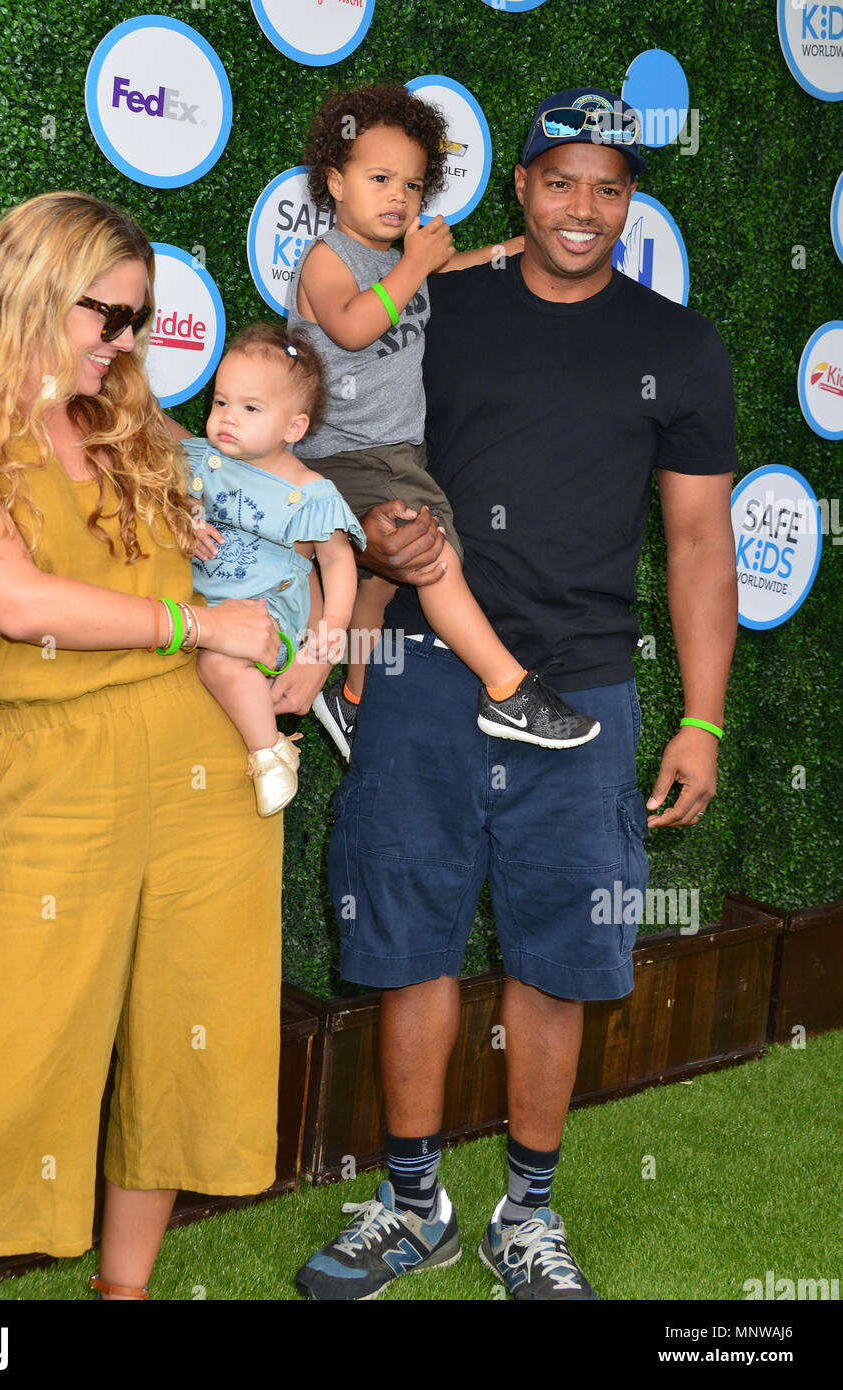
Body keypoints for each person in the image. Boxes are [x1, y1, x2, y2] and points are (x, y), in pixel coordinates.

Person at [294, 88, 739, 1301]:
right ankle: (410, 1203)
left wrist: (700, 718)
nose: (581, 207)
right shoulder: (441, 308)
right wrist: (368, 553)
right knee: (406, 943)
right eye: (559, 181)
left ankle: (525, 1216)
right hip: (423, 680)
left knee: (561, 961)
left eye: (607, 186)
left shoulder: (680, 346)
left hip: (584, 694)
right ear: (521, 189)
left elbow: (700, 545)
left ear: (629, 199)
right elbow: (340, 442)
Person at [0, 190, 288, 1300]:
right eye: (111, 317)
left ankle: (126, 1294)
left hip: (206, 774)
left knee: (187, 1045)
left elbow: (279, 512)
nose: (129, 344)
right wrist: (194, 623)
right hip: (60, 777)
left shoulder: (132, 426)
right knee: (11, 1072)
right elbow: (10, 598)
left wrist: (312, 609)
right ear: (36, 287)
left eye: (138, 321)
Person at [288, 83, 600, 759]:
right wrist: (416, 264)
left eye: (412, 183)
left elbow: (447, 271)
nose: (399, 196)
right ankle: (506, 687)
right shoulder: (327, 259)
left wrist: (517, 247)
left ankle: (352, 701)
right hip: (345, 455)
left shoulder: (400, 262)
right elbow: (352, 324)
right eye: (379, 179)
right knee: (435, 561)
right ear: (334, 183)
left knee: (379, 580)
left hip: (392, 454)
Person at [184, 324, 364, 817]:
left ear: (294, 428)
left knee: (220, 663)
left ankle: (271, 755)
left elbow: (337, 560)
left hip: (269, 617)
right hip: (200, 608)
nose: (228, 419)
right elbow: (172, 503)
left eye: (250, 408)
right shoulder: (204, 462)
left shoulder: (311, 492)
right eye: (221, 403)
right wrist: (186, 521)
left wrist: (331, 630)